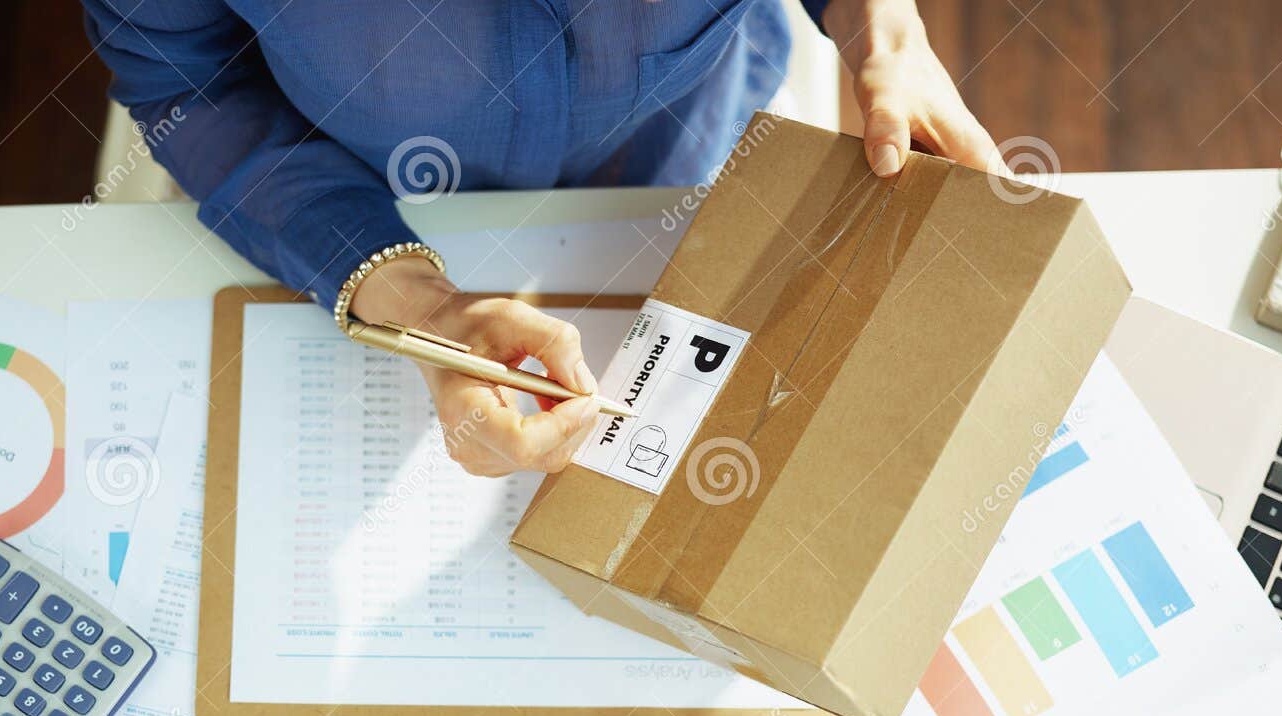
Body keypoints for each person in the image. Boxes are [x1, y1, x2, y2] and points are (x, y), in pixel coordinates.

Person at [84, 0, 998, 476]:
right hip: (352, 183)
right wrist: (406, 296)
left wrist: (888, 34)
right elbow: (188, 84)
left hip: (684, 148)